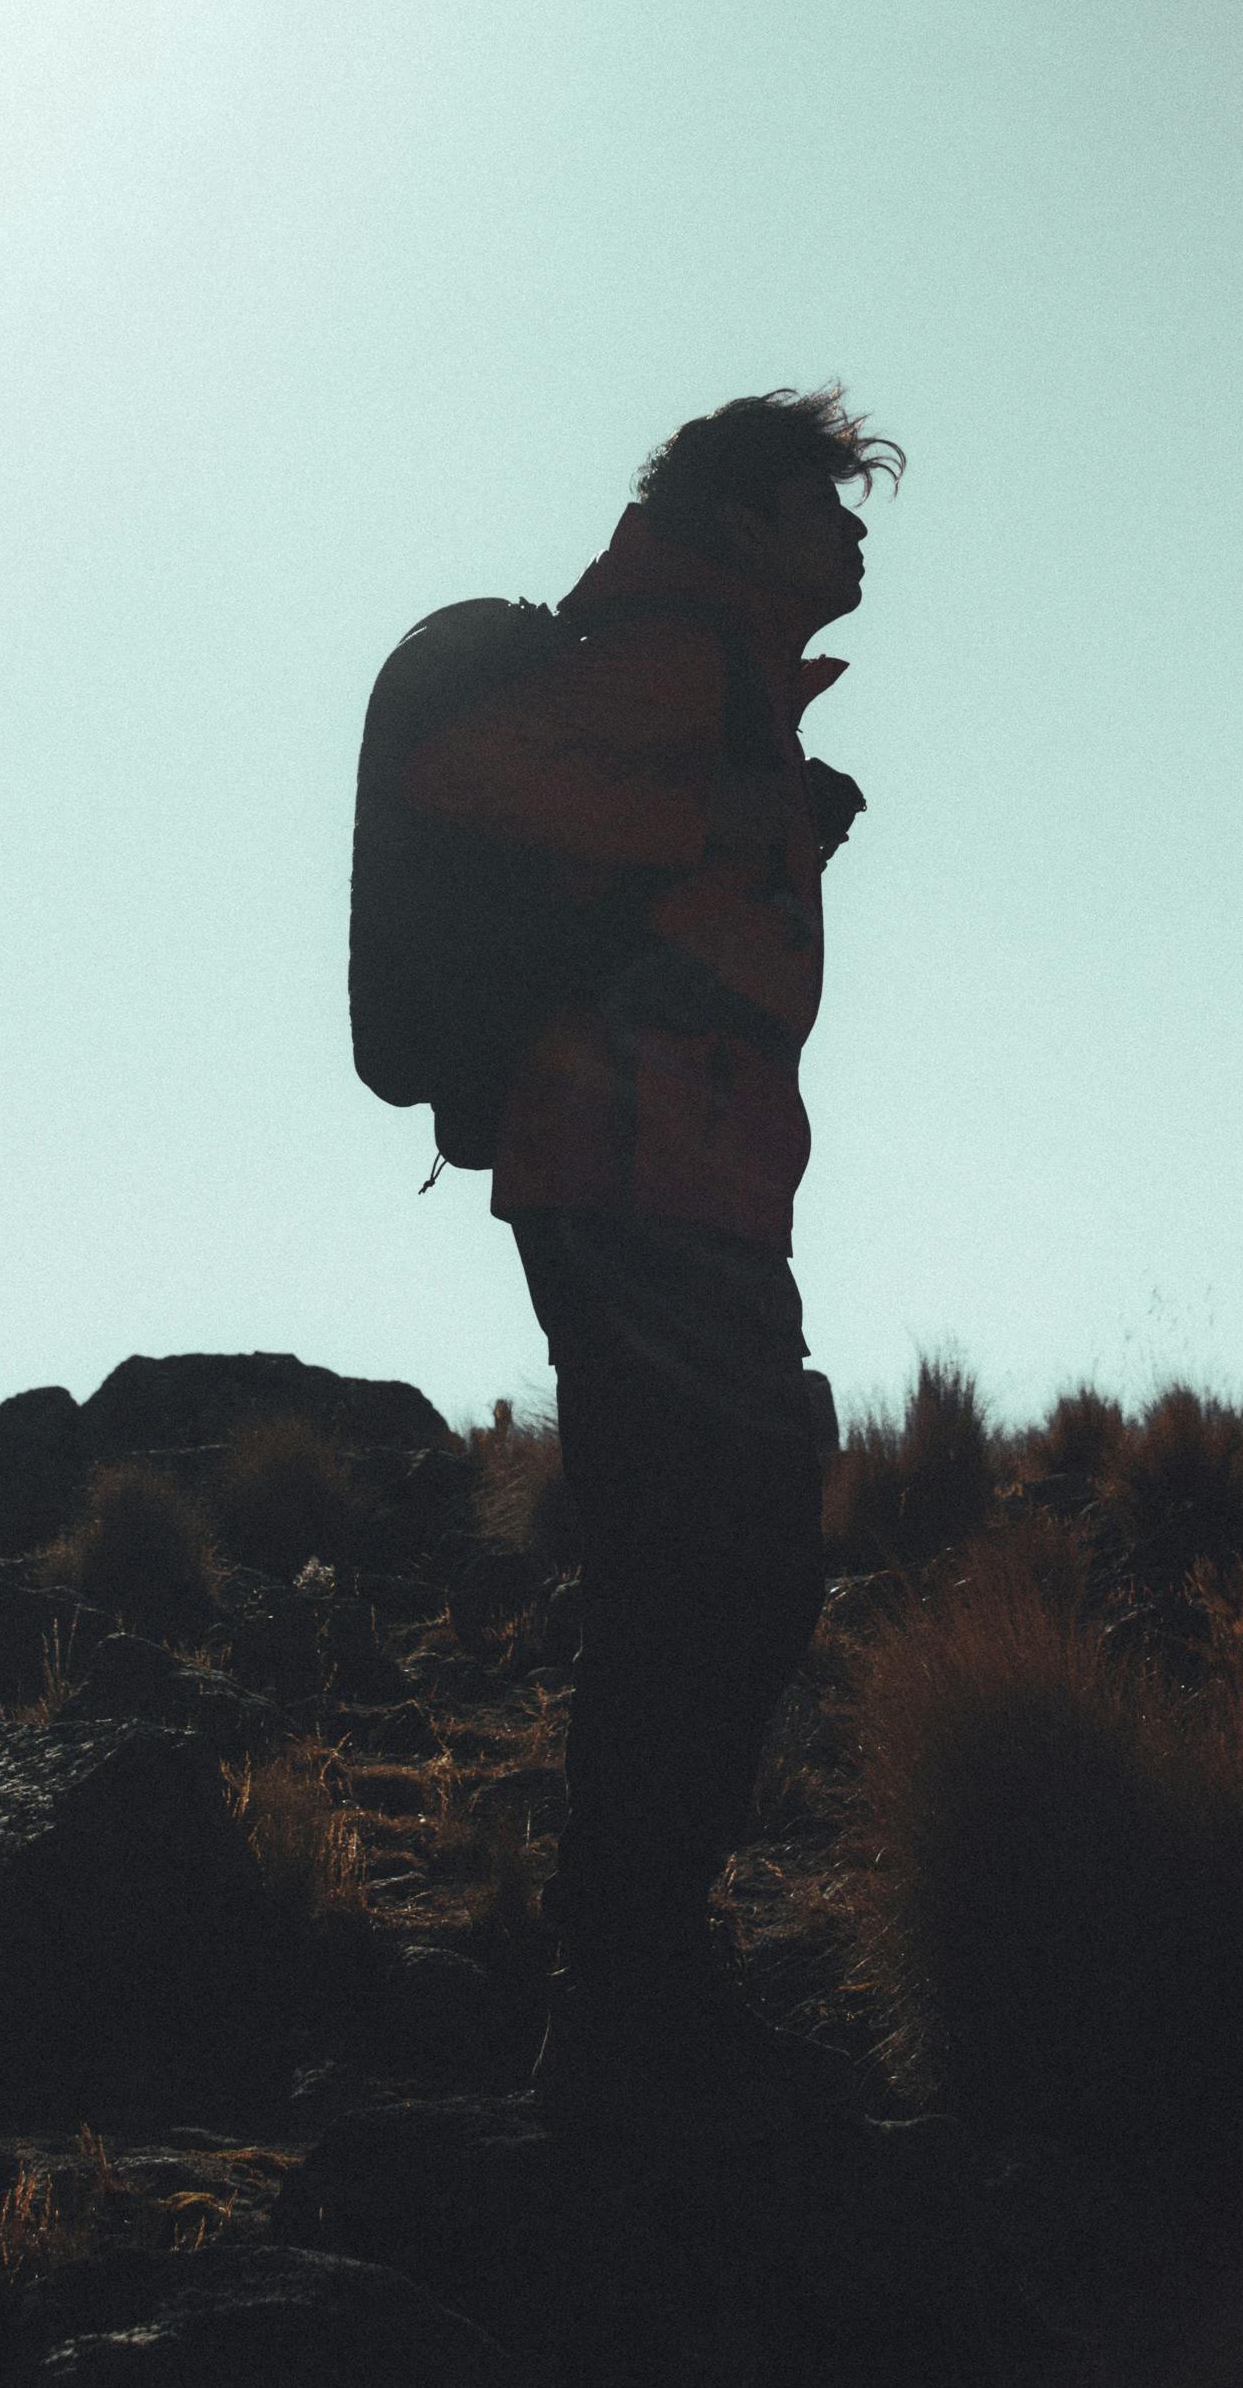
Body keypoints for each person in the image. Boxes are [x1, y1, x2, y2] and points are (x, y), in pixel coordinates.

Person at [403, 384, 903, 2139]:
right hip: (637, 1185)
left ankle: (635, 1996)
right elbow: (486, 786)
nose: (856, 534)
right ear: (747, 518)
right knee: (713, 1579)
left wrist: (758, 812)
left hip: (677, 1189)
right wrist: (723, 813)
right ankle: (627, 2014)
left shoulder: (713, 672)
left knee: (701, 1579)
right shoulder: (672, 658)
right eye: (827, 504)